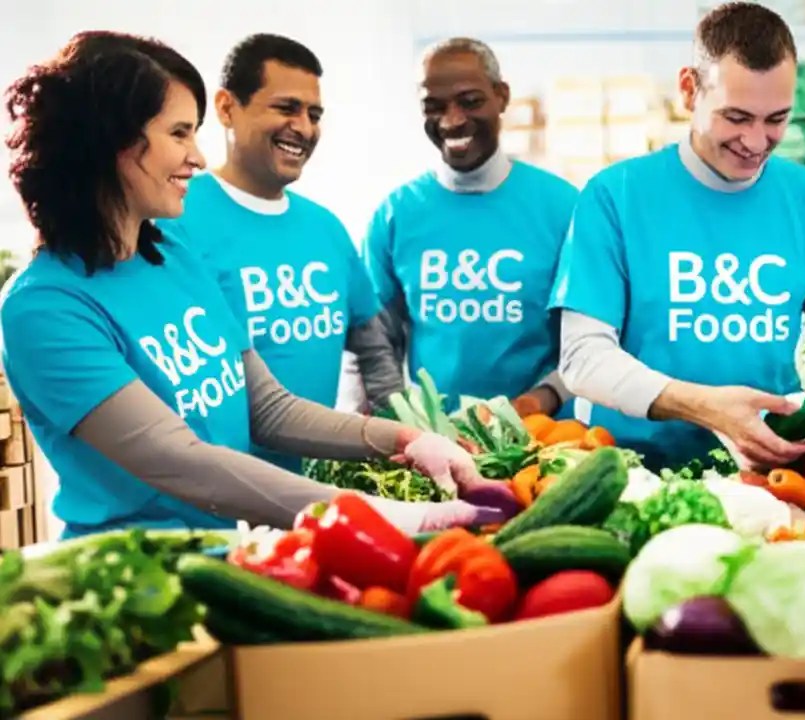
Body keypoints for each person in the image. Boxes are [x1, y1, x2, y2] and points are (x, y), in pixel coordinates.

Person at [0, 31, 501, 538]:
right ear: (112, 142)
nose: (196, 158)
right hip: (131, 577)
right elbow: (184, 463)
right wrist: (381, 516)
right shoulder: (46, 307)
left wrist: (407, 439)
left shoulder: (172, 255)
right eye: (178, 134)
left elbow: (267, 407)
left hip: (220, 554)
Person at [549, 2, 805, 471]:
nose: (755, 141)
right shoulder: (615, 196)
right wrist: (704, 406)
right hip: (634, 471)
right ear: (690, 90)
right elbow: (583, 358)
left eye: (776, 119)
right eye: (736, 117)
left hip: (774, 476)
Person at [158, 34, 399, 473]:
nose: (304, 128)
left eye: (314, 114)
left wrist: (400, 433)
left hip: (314, 490)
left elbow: (373, 350)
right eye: (286, 108)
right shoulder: (173, 217)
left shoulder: (326, 227)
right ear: (227, 107)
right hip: (220, 492)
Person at [362, 38, 579, 418]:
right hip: (431, 442)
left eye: (470, 101)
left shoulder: (564, 207)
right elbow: (374, 340)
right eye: (434, 107)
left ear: (502, 96)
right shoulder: (396, 214)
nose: (452, 119)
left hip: (543, 438)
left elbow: (589, 337)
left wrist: (537, 403)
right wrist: (397, 421)